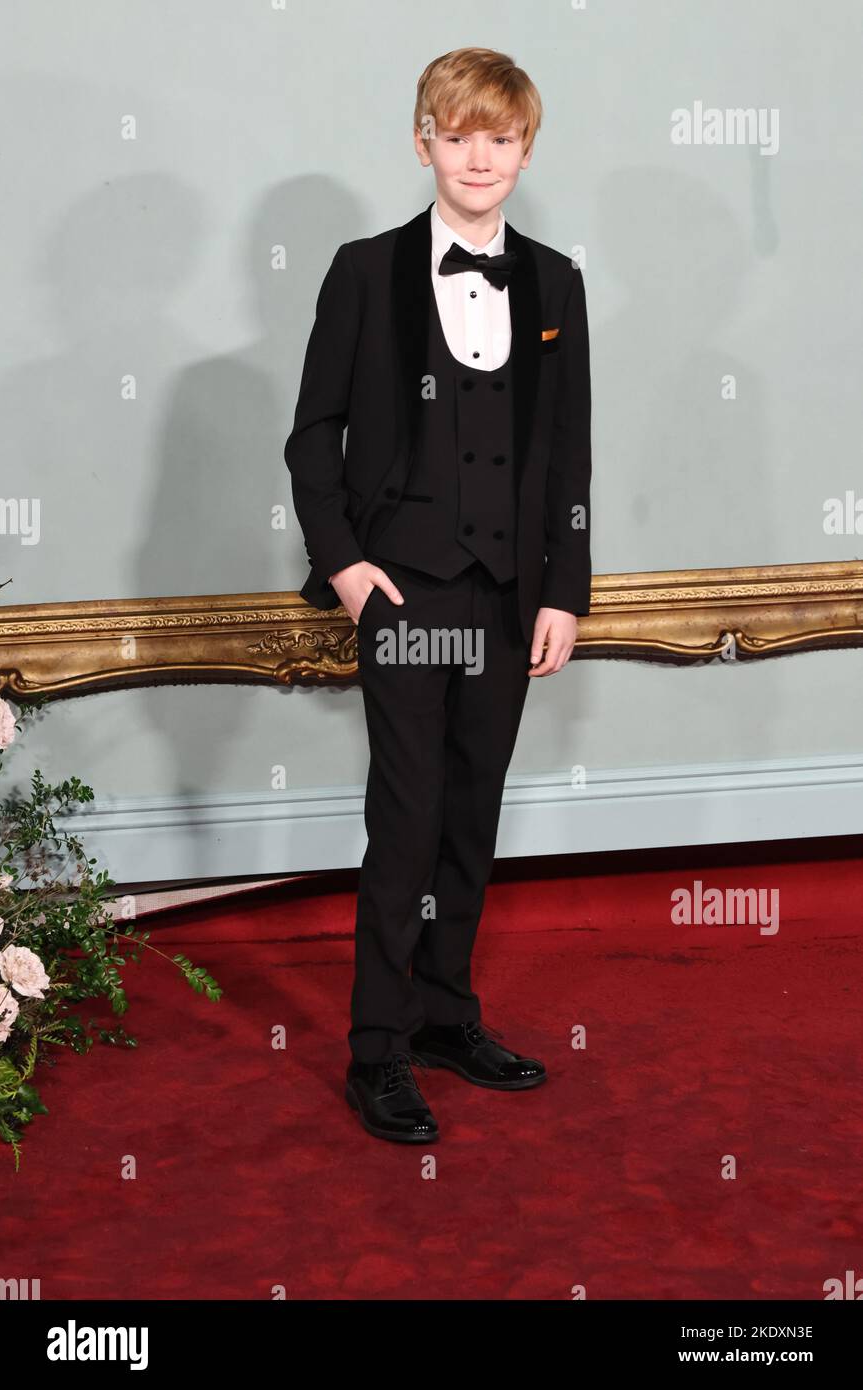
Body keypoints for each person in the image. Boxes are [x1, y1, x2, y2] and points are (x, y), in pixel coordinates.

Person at [284, 46, 592, 1143]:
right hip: (404, 597)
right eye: (455, 135)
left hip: (507, 597)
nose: (476, 156)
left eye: (497, 138)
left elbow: (564, 455)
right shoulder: (364, 272)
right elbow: (312, 438)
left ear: (523, 149)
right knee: (405, 818)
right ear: (421, 142)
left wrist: (566, 589)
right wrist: (347, 568)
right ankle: (376, 1049)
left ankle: (443, 1013)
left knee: (471, 812)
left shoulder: (554, 282)